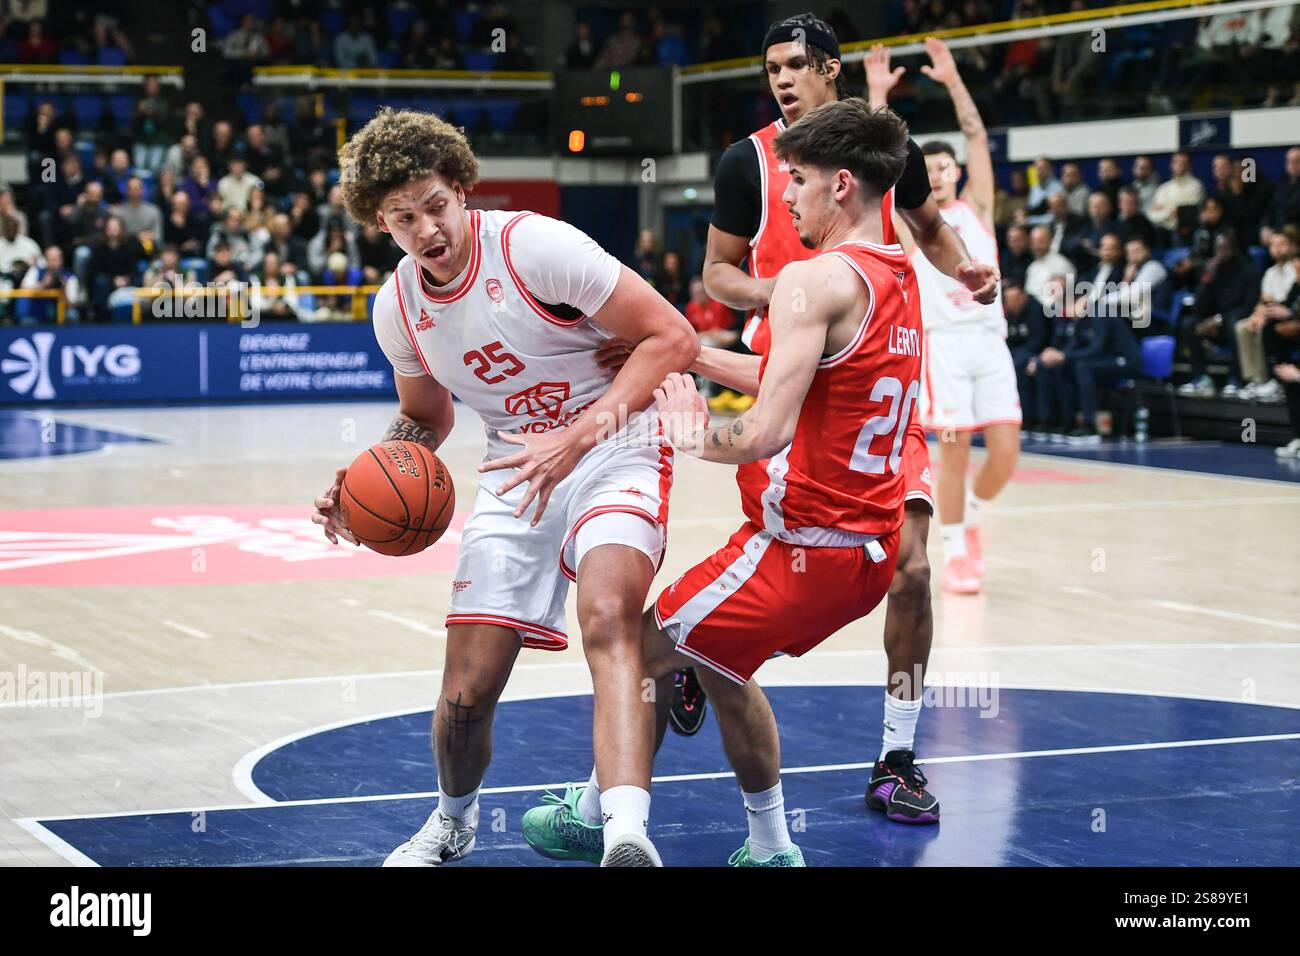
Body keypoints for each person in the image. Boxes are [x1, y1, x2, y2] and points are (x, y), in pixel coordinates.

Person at [522, 98, 923, 866]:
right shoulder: (895, 276)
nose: (788, 201)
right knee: (718, 663)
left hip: (799, 547)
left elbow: (763, 432)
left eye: (796, 184)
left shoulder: (812, 280)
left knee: (635, 649)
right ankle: (769, 847)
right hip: (865, 549)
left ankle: (596, 816)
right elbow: (796, 376)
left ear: (840, 185)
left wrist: (685, 427)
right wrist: (693, 355)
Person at [313, 108, 698, 867]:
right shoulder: (398, 309)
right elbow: (424, 418)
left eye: (434, 205)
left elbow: (673, 337)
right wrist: (364, 478)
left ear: (461, 190)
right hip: (518, 468)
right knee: (467, 691)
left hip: (617, 443)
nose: (426, 228)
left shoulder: (534, 248)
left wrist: (579, 435)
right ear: (380, 224)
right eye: (402, 218)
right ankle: (452, 822)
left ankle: (624, 831)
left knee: (608, 618)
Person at [670, 14, 998, 822]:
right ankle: (697, 646)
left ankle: (896, 754)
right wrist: (785, 295)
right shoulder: (747, 162)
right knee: (780, 543)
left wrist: (969, 273)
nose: (780, 80)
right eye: (771, 68)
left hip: (877, 375)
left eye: (794, 66)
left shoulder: (884, 151)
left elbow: (929, 230)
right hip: (789, 369)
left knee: (911, 568)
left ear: (831, 71)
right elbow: (716, 271)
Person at [871, 37, 1020, 595]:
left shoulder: (979, 209)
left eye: (945, 166)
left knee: (1006, 452)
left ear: (956, 172)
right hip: (943, 345)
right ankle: (957, 549)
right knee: (952, 454)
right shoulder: (915, 227)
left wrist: (954, 79)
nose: (938, 174)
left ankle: (972, 517)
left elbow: (978, 135)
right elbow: (881, 164)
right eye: (928, 168)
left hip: (990, 340)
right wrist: (881, 95)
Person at [1237, 226, 1299, 402]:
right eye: (1274, 245)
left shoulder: (1296, 268)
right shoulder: (1270, 272)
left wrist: (1284, 313)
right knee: (1244, 327)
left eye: (1283, 244)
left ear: (1294, 246)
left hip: (1288, 316)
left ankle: (1274, 380)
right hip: (1273, 312)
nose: (1278, 249)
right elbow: (1264, 300)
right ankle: (1257, 379)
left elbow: (1290, 303)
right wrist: (1257, 315)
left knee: (1267, 327)